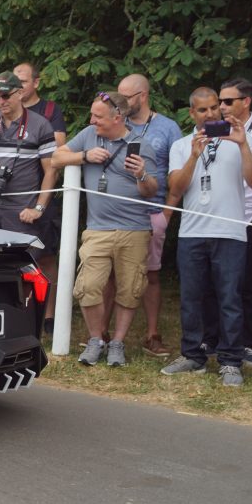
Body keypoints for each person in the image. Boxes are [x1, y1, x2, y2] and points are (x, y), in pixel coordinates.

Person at [51, 91, 159, 367]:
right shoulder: (88, 135)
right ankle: (96, 339)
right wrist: (84, 156)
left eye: (98, 116)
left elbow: (152, 190)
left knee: (130, 290)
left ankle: (118, 344)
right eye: (93, 114)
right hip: (97, 230)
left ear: (118, 117)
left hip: (135, 229)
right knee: (87, 287)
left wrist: (141, 174)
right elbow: (56, 158)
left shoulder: (140, 144)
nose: (92, 120)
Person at [160, 87, 252, 386]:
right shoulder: (181, 144)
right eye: (203, 110)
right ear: (192, 113)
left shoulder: (241, 138)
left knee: (230, 298)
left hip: (230, 231)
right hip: (193, 232)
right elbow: (176, 187)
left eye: (215, 107)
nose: (212, 113)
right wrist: (193, 156)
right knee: (192, 297)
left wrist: (241, 146)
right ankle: (193, 355)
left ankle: (230, 361)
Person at [101, 73, 184, 357]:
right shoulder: (115, 123)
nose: (120, 102)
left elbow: (178, 175)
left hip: (151, 213)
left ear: (143, 95)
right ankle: (101, 333)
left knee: (150, 274)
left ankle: (152, 335)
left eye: (127, 97)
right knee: (111, 274)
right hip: (115, 213)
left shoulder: (168, 128)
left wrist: (166, 215)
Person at [0, 72, 58, 252]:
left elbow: (52, 171)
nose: (1, 101)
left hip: (21, 209)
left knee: (20, 265)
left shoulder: (40, 124)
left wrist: (38, 209)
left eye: (5, 96)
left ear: (19, 93)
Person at [15, 62, 68, 333]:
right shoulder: (4, 111)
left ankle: (49, 316)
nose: (17, 86)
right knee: (16, 256)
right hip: (13, 195)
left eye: (22, 81)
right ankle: (21, 313)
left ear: (36, 83)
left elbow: (57, 148)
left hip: (43, 192)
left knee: (45, 256)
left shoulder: (50, 110)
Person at [218, 78, 252, 364]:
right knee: (227, 287)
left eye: (228, 101)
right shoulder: (214, 132)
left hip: (250, 220)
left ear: (246, 101)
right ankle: (222, 342)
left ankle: (247, 345)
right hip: (221, 220)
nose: (221, 106)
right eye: (220, 101)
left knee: (247, 286)